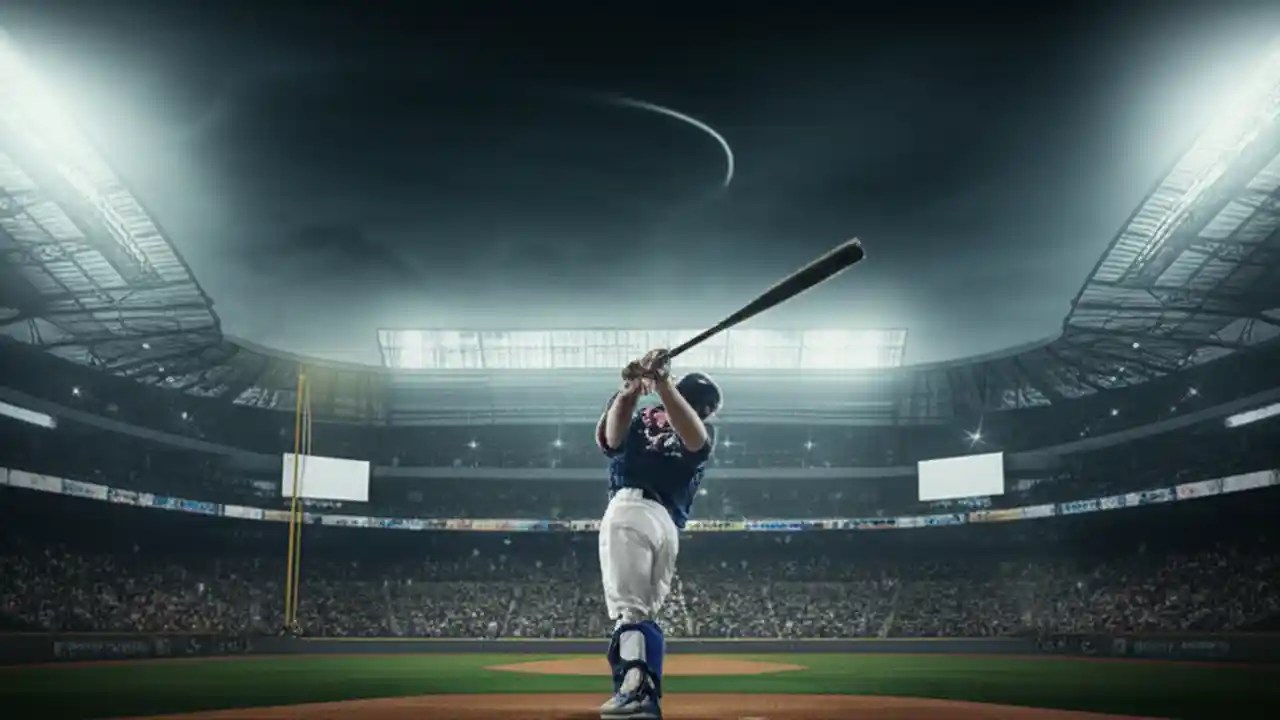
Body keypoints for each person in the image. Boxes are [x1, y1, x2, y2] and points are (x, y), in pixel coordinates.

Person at [594, 348, 721, 719]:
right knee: (644, 612)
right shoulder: (698, 426)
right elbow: (693, 442)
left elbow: (610, 440)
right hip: (666, 525)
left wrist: (637, 390)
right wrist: (639, 387)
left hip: (632, 509)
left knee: (631, 611)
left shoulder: (652, 419)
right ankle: (645, 694)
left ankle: (634, 690)